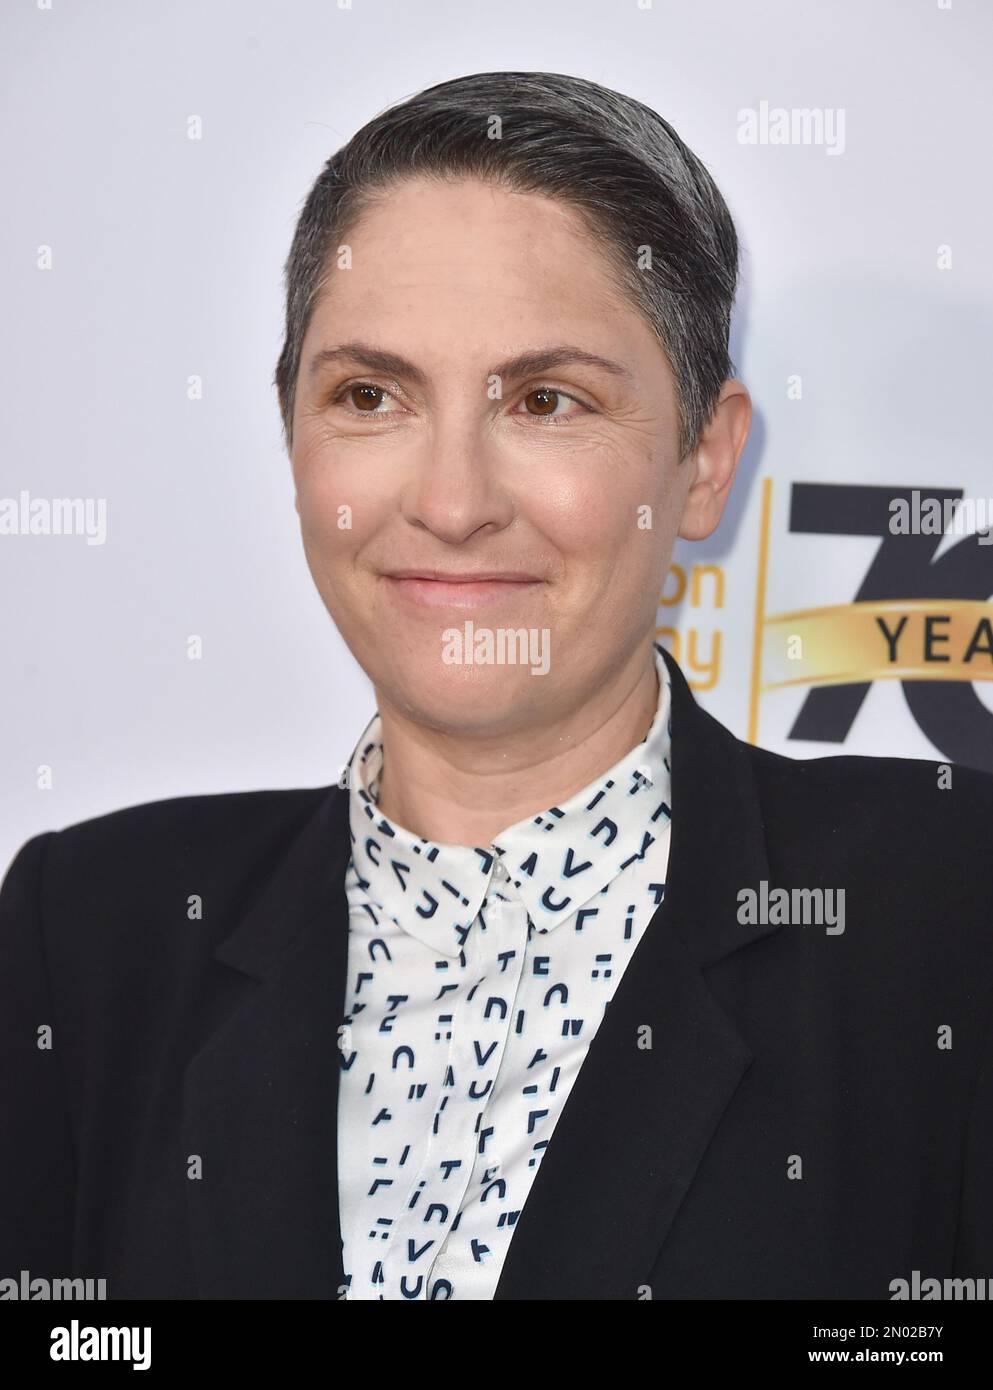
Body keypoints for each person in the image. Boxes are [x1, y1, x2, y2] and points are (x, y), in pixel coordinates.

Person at [1, 70, 991, 1302]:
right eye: (370, 395)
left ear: (705, 459)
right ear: (293, 436)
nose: (453, 501)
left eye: (545, 400)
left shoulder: (943, 903)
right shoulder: (92, 929)